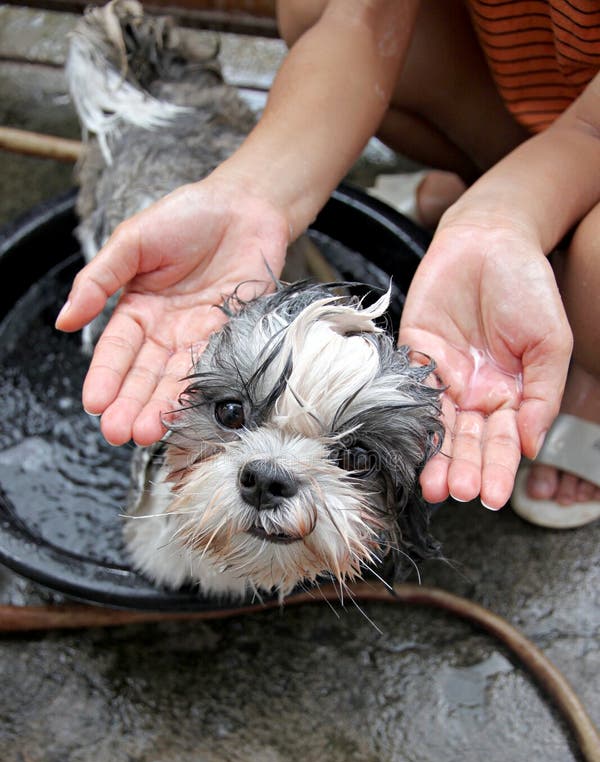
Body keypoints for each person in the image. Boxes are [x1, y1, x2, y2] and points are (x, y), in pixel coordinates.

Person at [55, 0, 600, 524]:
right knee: (311, 6)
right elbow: (364, 21)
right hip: (531, 83)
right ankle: (480, 181)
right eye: (231, 417)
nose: (270, 475)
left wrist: (508, 222)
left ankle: (591, 365)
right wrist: (254, 192)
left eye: (353, 458)